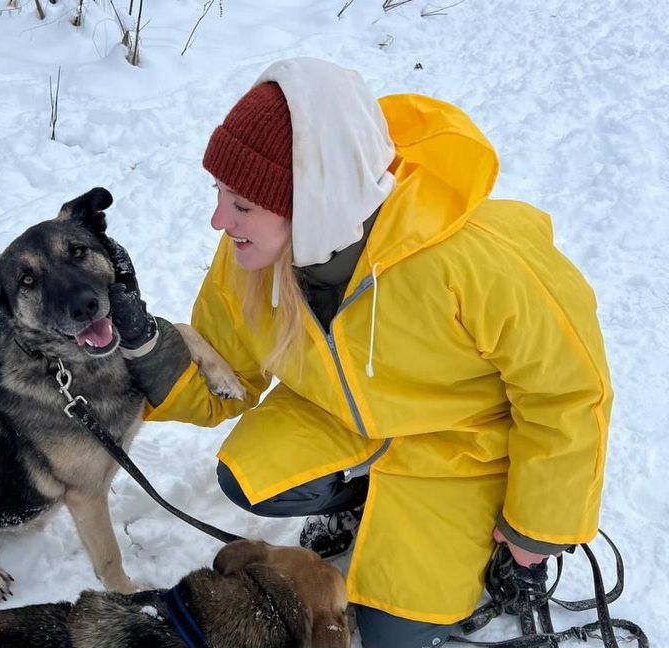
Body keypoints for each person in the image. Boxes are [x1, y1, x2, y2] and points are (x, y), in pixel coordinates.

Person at [105, 57, 612, 648]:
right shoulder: (252, 259)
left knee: (386, 635)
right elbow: (227, 374)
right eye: (218, 193)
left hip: (461, 449)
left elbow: (569, 393)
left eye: (242, 204)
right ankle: (362, 501)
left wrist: (536, 528)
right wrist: (143, 348)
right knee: (250, 478)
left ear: (315, 199)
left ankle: (484, 548)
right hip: (342, 417)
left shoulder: (470, 260)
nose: (220, 220)